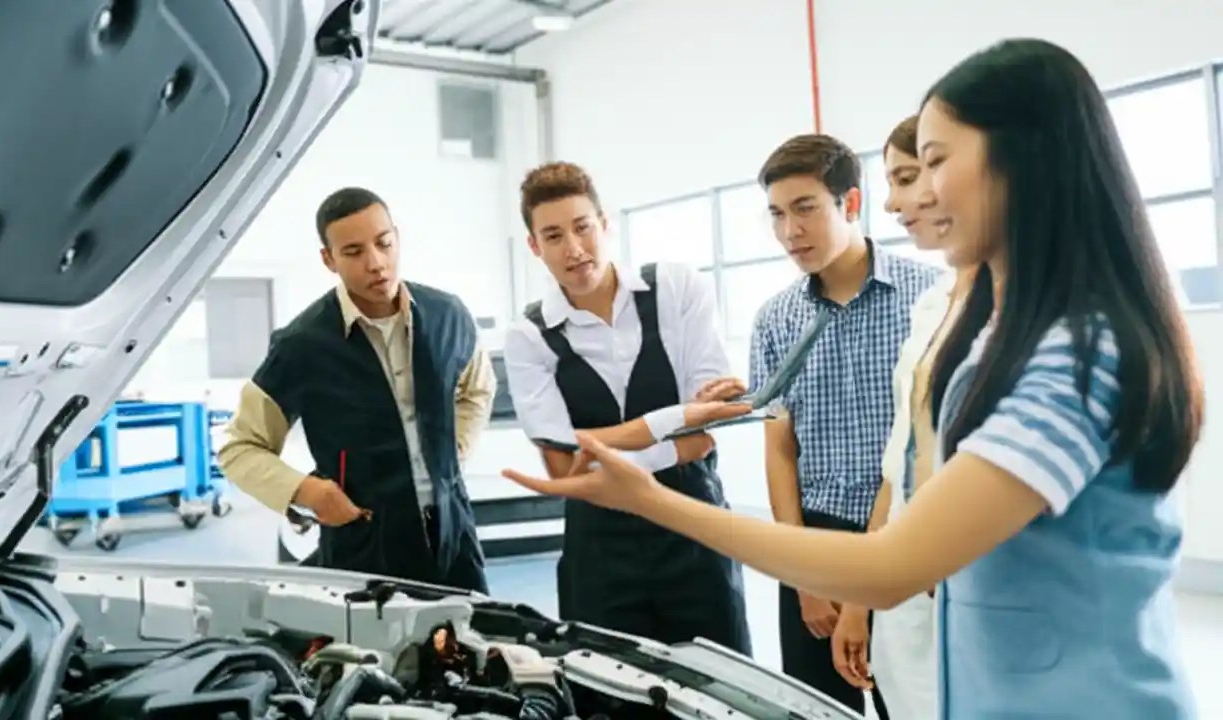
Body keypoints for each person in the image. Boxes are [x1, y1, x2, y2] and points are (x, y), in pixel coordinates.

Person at [503, 38, 1204, 719]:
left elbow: (895, 559)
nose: (911, 201)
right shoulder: (996, 330)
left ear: (1022, 160)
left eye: (931, 165)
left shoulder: (1074, 356)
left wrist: (652, 498)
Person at [503, 161, 752, 654]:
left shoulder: (677, 290)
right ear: (534, 246)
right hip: (600, 548)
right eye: (553, 236)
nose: (573, 249)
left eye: (582, 227)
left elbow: (707, 432)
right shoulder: (529, 336)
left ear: (604, 222)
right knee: (612, 695)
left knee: (719, 686)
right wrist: (675, 421)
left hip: (693, 527)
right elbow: (560, 466)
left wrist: (597, 446)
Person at [746, 133, 941, 714]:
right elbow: (779, 448)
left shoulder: (927, 298)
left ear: (850, 205)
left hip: (911, 537)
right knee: (813, 708)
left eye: (805, 208)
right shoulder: (775, 319)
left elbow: (920, 447)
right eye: (777, 214)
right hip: (815, 541)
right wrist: (799, 569)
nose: (789, 232)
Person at [220, 187, 495, 593]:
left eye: (384, 244)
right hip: (364, 542)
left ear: (396, 238)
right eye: (353, 252)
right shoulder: (302, 345)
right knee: (371, 655)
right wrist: (308, 491)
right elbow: (240, 447)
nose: (376, 263)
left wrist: (453, 454)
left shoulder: (447, 316)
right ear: (328, 259)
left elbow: (477, 390)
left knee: (466, 647)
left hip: (454, 537)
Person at [829, 114, 977, 718]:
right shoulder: (933, 304)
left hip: (969, 580)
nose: (894, 203)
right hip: (908, 580)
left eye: (912, 175)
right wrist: (861, 599)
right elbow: (900, 463)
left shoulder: (1033, 316)